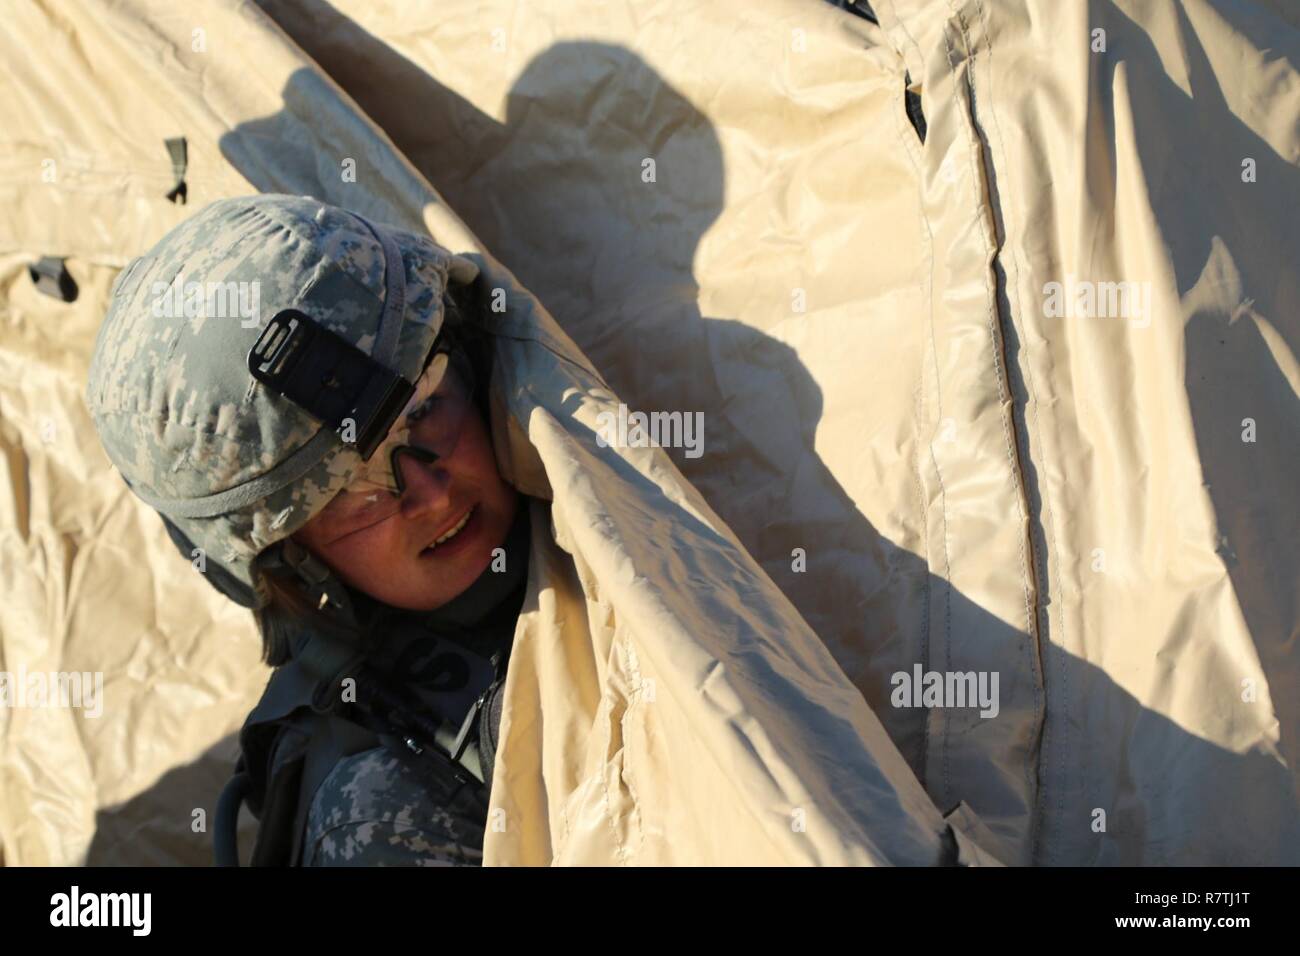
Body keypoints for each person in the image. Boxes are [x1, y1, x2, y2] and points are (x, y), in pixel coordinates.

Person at [85, 194, 533, 865]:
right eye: (350, 490)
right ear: (291, 562)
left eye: (426, 407)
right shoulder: (384, 810)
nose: (432, 494)